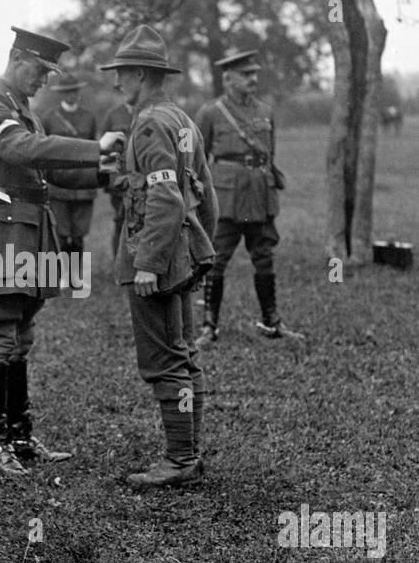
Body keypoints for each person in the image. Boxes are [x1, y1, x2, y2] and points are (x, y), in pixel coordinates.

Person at [0, 27, 125, 476]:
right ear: (15, 58)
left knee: (22, 337)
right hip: (2, 237)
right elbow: (23, 150)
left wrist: (106, 174)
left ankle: (20, 436)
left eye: (49, 73)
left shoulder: (23, 111)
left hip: (30, 234)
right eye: (38, 70)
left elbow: (52, 171)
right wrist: (96, 146)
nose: (44, 80)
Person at [101, 26, 217, 488]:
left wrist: (149, 261)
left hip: (156, 258)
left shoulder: (149, 123)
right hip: (182, 252)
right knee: (185, 354)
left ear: (142, 74)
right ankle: (187, 453)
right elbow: (204, 195)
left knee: (165, 359)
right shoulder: (183, 120)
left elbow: (165, 196)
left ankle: (180, 460)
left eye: (122, 74)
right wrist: (199, 248)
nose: (116, 83)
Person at [194, 49, 291, 344]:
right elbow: (198, 158)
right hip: (227, 196)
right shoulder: (210, 112)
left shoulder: (265, 111)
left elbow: (269, 152)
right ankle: (209, 326)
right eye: (247, 74)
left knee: (264, 256)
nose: (254, 79)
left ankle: (271, 321)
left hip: (260, 193)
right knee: (217, 258)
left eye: (255, 74)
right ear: (228, 79)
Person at [36, 71, 99, 288]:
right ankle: (63, 276)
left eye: (74, 91)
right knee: (62, 234)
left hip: (83, 185)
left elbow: (96, 149)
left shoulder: (89, 117)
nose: (71, 95)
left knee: (79, 235)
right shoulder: (49, 118)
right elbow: (42, 150)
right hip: (59, 184)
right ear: (60, 94)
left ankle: (76, 276)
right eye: (67, 92)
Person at [97, 95, 134, 260]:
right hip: (119, 178)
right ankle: (118, 262)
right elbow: (103, 147)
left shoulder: (146, 112)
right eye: (120, 90)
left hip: (139, 177)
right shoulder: (113, 114)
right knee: (121, 220)